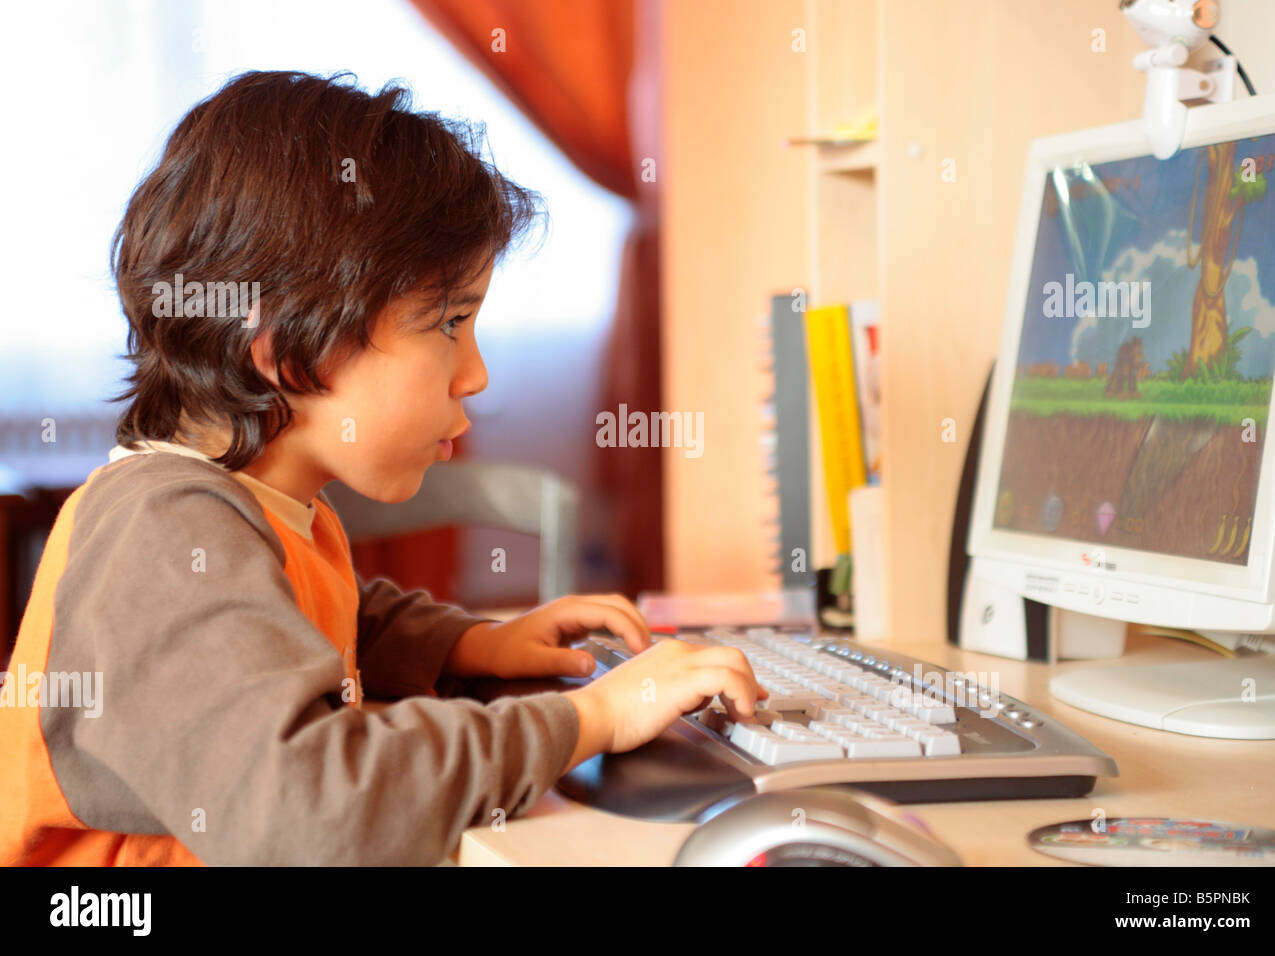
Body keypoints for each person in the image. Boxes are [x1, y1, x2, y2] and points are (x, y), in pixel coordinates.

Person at [0, 70, 764, 866]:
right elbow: (309, 805)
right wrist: (592, 720)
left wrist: (465, 647)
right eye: (451, 324)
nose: (475, 374)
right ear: (293, 352)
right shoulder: (161, 533)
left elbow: (315, 619)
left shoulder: (249, 510)